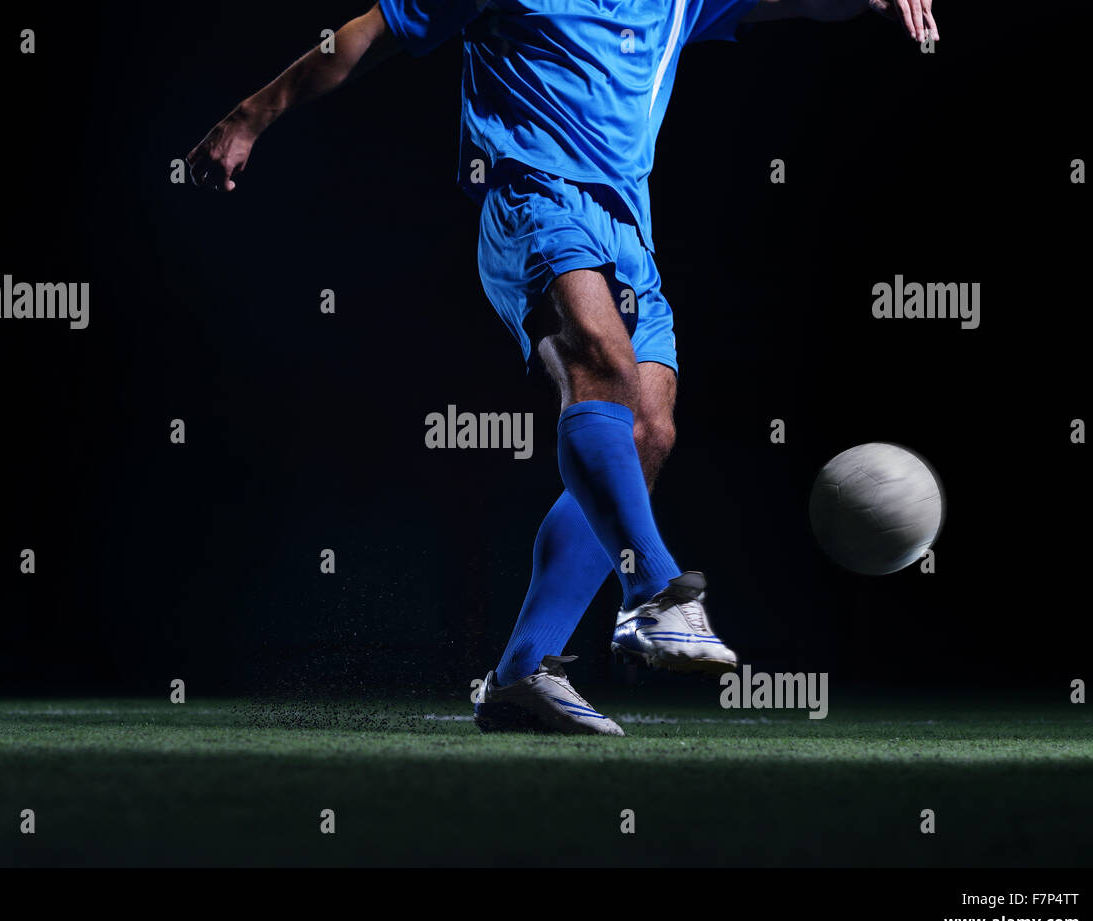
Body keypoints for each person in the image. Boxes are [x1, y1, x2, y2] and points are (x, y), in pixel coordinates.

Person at [187, 0, 940, 735]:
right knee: (601, 370)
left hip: (627, 230)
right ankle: (655, 588)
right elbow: (366, 34)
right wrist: (251, 116)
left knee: (647, 428)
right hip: (530, 196)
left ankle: (522, 672)